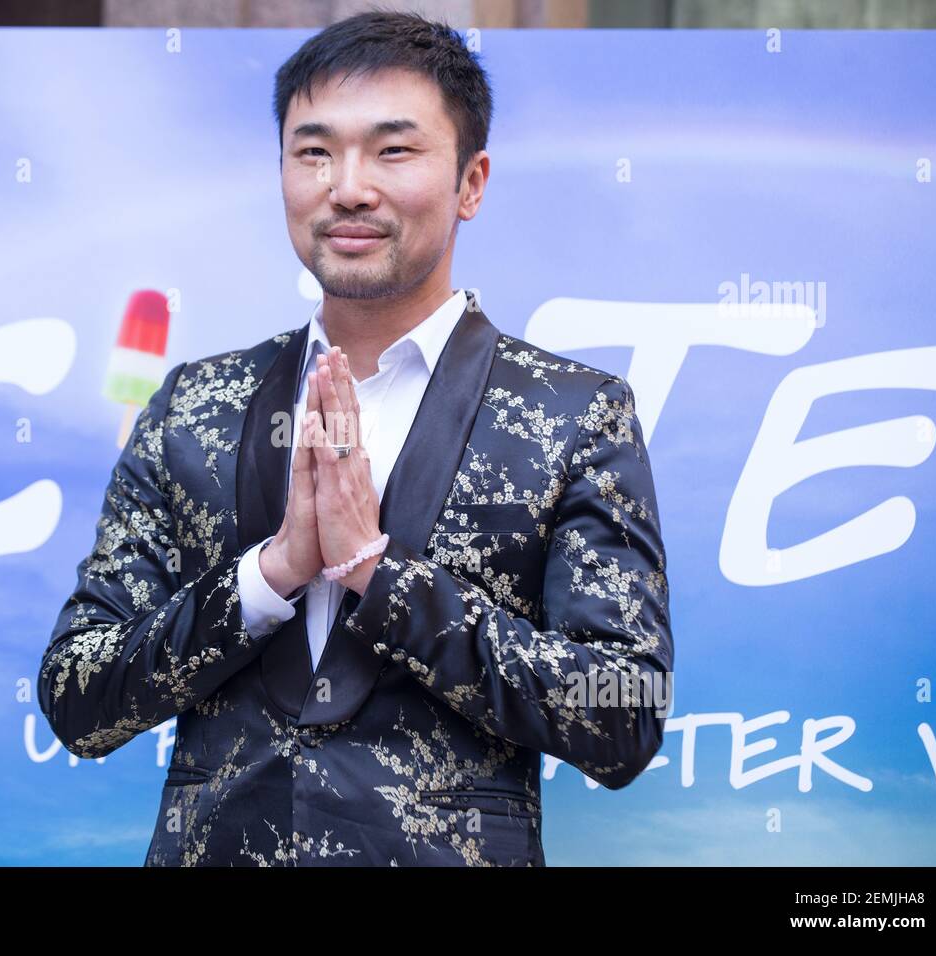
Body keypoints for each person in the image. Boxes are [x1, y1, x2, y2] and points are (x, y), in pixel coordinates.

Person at [38, 9, 673, 867]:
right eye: (314, 152)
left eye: (393, 150)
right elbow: (78, 697)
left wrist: (380, 574)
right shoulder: (194, 405)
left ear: (471, 182)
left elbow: (621, 715)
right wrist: (270, 576)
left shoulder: (573, 413)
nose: (348, 186)